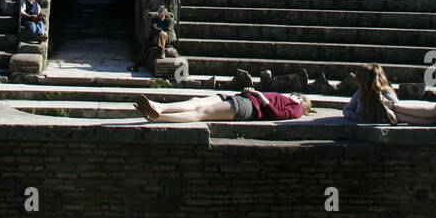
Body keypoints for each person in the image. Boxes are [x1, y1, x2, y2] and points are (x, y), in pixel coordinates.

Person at [133, 90, 313, 123]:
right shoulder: (289, 100)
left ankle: (159, 116)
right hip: (242, 98)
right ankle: (158, 106)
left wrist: (259, 95)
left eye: (300, 97)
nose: (296, 95)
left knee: (201, 112)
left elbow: (276, 115)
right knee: (196, 101)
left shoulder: (296, 109)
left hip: (249, 107)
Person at [128, 5, 174, 71]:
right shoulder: (155, 19)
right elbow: (154, 27)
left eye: (162, 11)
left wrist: (162, 32)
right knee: (146, 46)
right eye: (159, 11)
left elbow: (169, 29)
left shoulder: (169, 20)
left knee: (162, 34)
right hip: (155, 38)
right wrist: (160, 30)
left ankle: (162, 51)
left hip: (166, 38)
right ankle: (138, 64)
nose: (160, 12)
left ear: (165, 12)